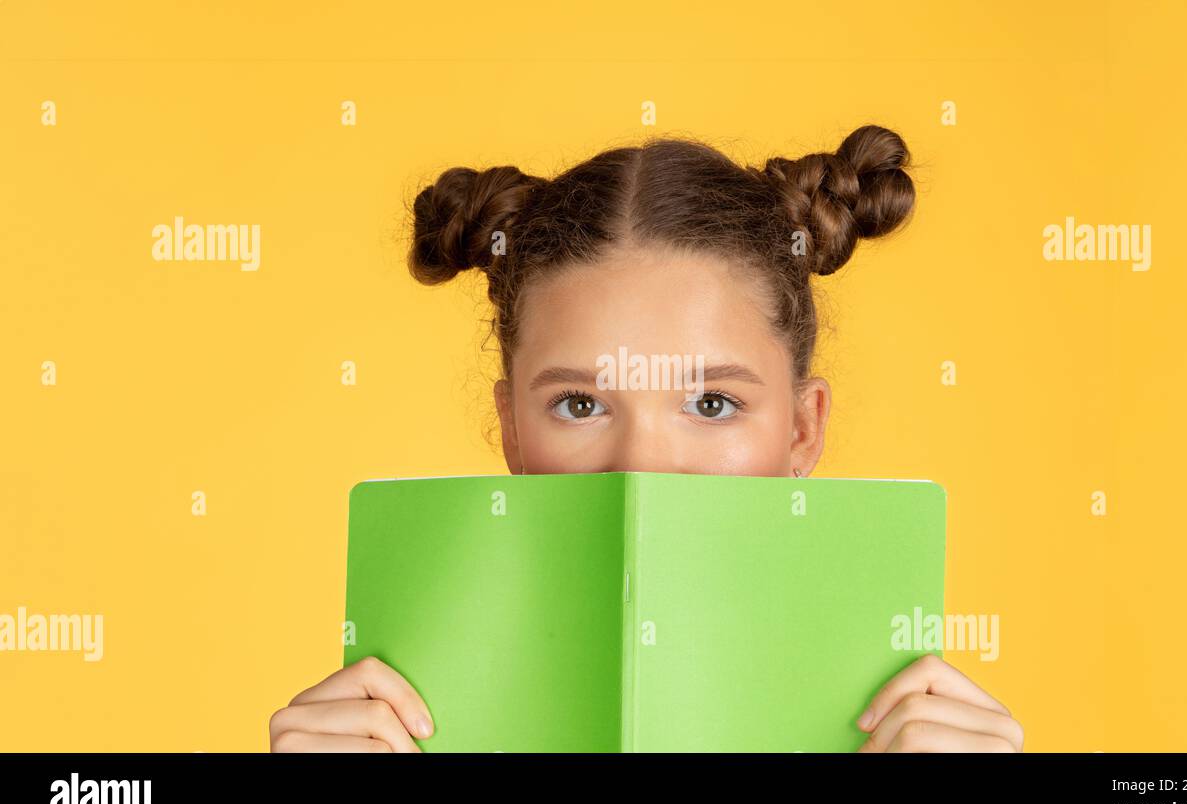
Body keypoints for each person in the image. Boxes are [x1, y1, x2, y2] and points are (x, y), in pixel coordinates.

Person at [270, 125, 1024, 753]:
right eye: (578, 403)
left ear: (802, 428)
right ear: (512, 430)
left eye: (710, 400)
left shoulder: (912, 733)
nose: (642, 468)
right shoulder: (403, 724)